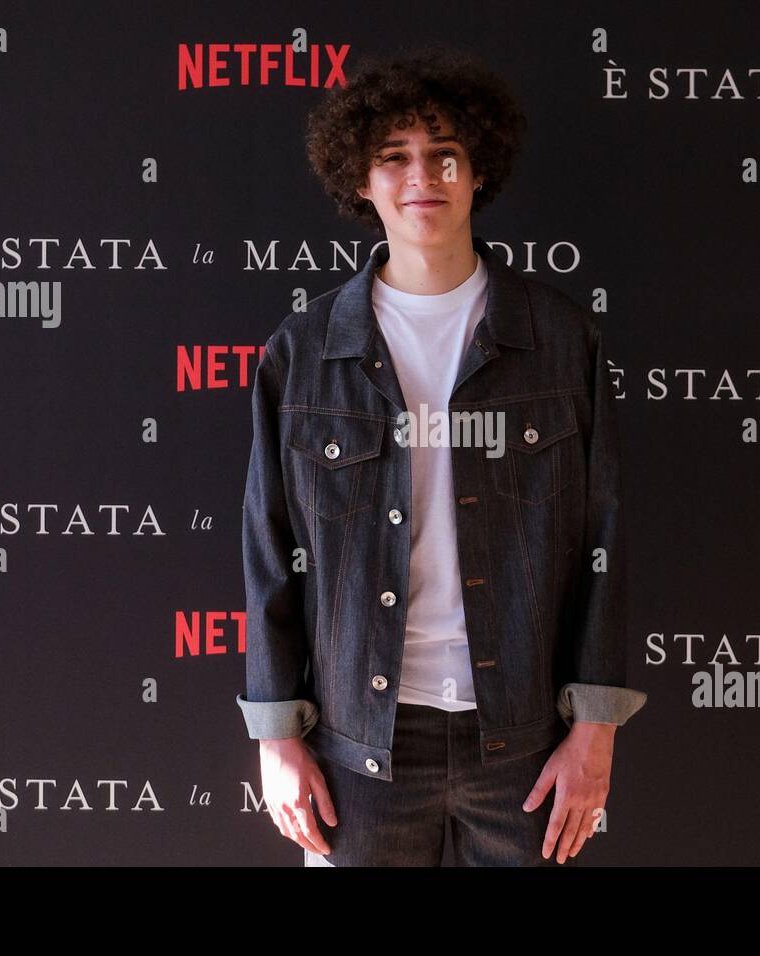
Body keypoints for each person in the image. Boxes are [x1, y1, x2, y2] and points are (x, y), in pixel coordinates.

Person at [236, 47, 647, 866]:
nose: (421, 175)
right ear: (361, 178)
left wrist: (595, 728)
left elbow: (605, 541)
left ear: (476, 170)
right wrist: (276, 736)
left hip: (524, 748)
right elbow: (268, 554)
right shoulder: (305, 352)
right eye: (394, 157)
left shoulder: (562, 342)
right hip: (360, 753)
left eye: (443, 153)